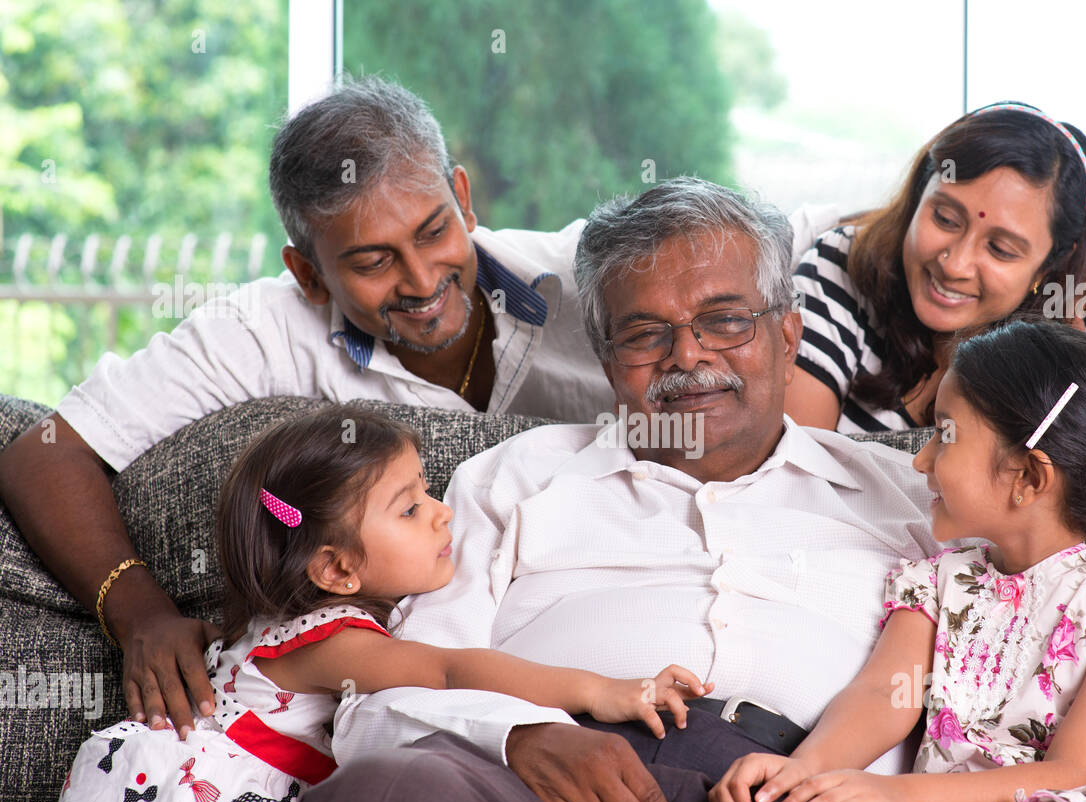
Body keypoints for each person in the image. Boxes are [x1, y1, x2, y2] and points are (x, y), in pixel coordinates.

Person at [272, 178, 1086, 802]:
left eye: (724, 320)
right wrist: (521, 735)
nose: (688, 357)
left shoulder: (913, 499)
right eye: (644, 333)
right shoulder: (510, 480)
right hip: (529, 793)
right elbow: (373, 695)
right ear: (607, 354)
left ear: (788, 333)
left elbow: (1080, 668)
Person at [0, 75, 837, 739]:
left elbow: (808, 235)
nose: (422, 279)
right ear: (309, 272)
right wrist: (138, 611)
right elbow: (39, 445)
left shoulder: (593, 279)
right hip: (430, 667)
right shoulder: (258, 328)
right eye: (372, 261)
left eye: (436, 231)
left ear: (464, 198)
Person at [14, 406, 709, 802]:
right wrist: (605, 688)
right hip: (187, 800)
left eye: (429, 492)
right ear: (338, 568)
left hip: (150, 780)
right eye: (410, 508)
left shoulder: (274, 621)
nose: (444, 517)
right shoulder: (335, 640)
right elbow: (448, 673)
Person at [786, 102, 1086, 723]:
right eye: (944, 217)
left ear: (1055, 260)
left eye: (1003, 249)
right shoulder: (840, 271)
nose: (955, 263)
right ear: (918, 192)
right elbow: (794, 463)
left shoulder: (1078, 319)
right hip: (858, 616)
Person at [710, 320, 1086, 802]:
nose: (920, 459)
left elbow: (1076, 775)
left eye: (945, 435)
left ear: (1028, 476)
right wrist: (804, 768)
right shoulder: (937, 582)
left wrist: (898, 797)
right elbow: (881, 700)